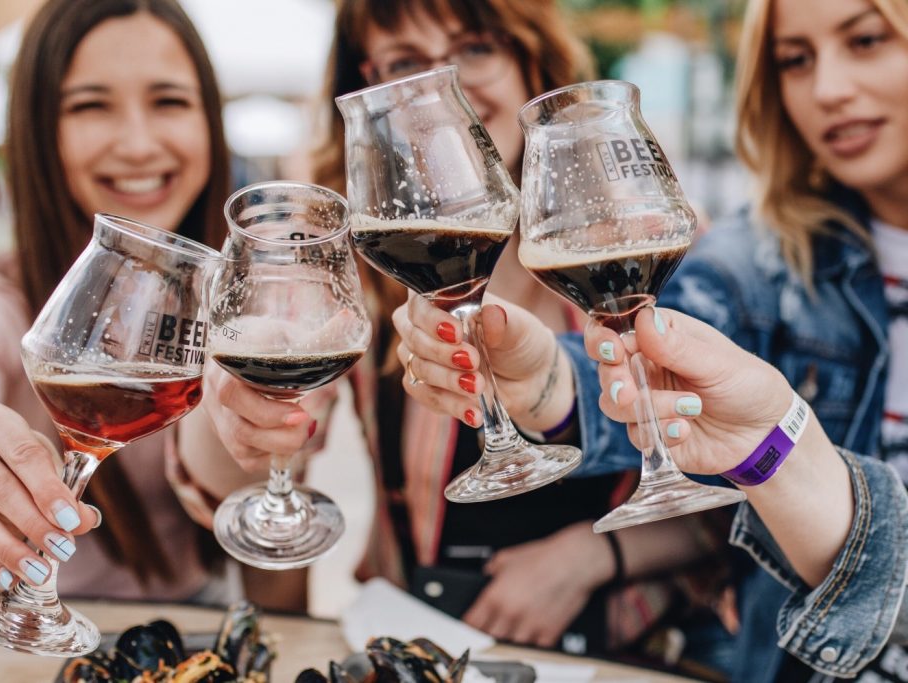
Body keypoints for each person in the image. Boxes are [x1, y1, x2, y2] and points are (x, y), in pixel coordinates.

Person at [197, 0, 736, 667]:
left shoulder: (645, 238)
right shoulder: (352, 269)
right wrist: (237, 398)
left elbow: (736, 487)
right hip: (417, 644)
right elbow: (265, 468)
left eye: (474, 49)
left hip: (623, 653)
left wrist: (590, 556)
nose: (439, 92)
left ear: (527, 62)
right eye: (404, 65)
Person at [393, 0, 908, 678]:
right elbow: (668, 365)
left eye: (867, 40)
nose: (829, 88)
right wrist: (546, 380)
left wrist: (782, 454)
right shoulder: (756, 261)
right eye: (795, 59)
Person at [0, 0, 304, 611]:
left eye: (168, 101)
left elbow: (268, 558)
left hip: (192, 626)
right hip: (15, 646)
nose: (137, 144)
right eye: (89, 105)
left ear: (209, 122)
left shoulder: (256, 317)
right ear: (36, 130)